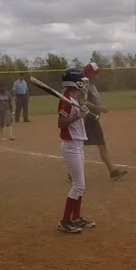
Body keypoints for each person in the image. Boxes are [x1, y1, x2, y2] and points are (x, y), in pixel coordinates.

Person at [57, 68, 94, 233]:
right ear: (75, 82)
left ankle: (76, 218)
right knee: (78, 185)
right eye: (81, 80)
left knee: (81, 185)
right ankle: (65, 221)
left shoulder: (73, 98)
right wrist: (78, 115)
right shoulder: (66, 100)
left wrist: (82, 110)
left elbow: (77, 114)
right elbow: (61, 122)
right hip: (71, 145)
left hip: (78, 144)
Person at [79, 63, 128, 181]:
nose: (98, 75)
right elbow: (83, 102)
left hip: (91, 118)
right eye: (96, 73)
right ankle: (112, 172)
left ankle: (72, 173)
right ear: (89, 73)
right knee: (101, 146)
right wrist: (100, 109)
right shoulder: (85, 84)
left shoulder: (91, 84)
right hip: (89, 119)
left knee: (80, 146)